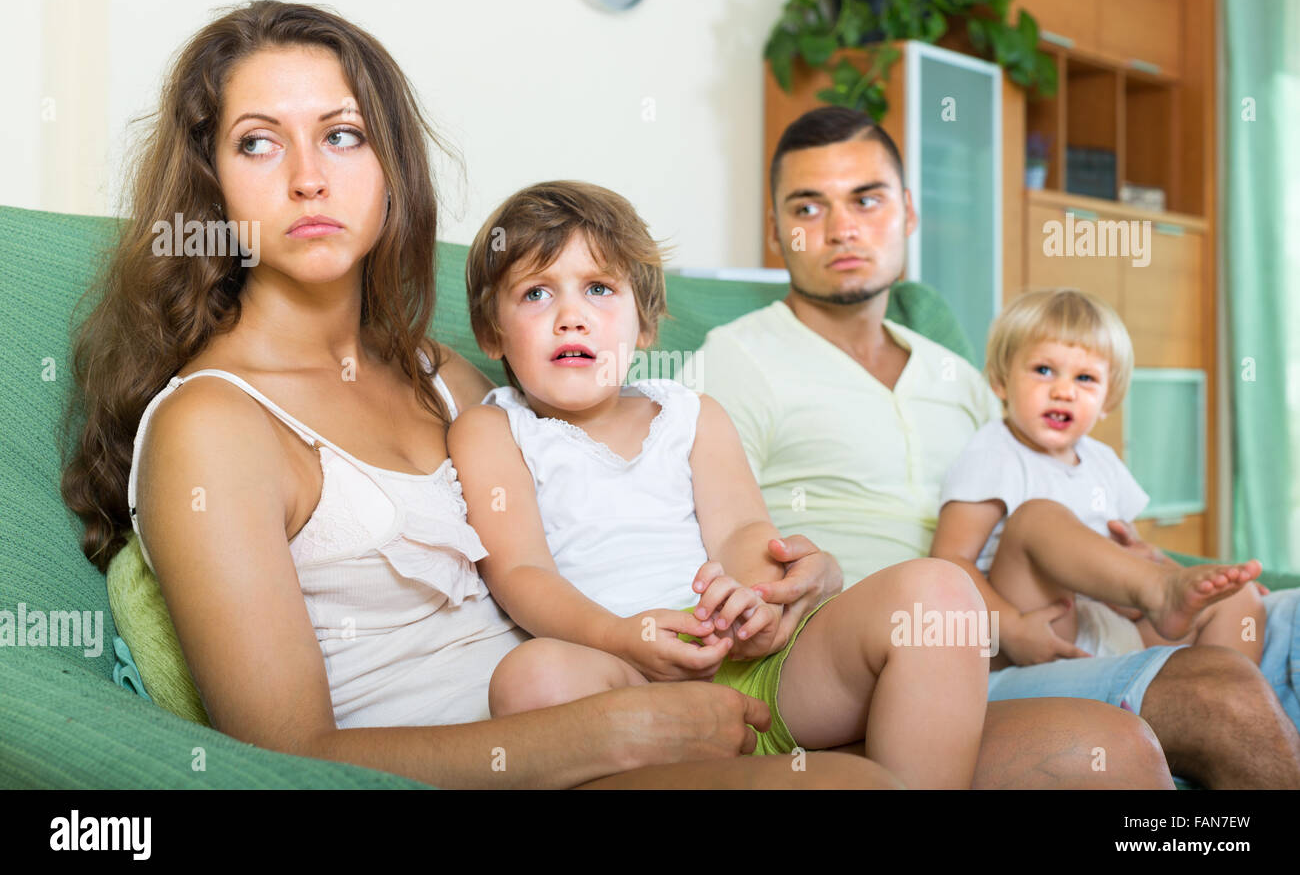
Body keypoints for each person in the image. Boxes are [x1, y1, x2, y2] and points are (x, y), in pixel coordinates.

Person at [59, 0, 891, 790]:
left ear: (392, 170)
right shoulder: (212, 425)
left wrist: (789, 580)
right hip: (548, 754)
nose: (309, 178)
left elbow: (595, 512)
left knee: (988, 744)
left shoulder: (445, 379)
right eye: (258, 143)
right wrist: (616, 730)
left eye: (343, 135)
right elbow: (291, 759)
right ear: (210, 183)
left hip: (614, 704)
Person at [687, 104, 1300, 788]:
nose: (842, 228)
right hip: (892, 659)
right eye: (808, 208)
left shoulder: (954, 370)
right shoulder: (736, 360)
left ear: (909, 213)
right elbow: (682, 526)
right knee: (1219, 694)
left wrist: (1130, 563)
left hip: (1036, 617)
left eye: (867, 198)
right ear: (775, 232)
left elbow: (1039, 490)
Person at [449, 180, 989, 789]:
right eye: (536, 293)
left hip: (754, 666)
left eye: (599, 289)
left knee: (940, 594)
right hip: (619, 685)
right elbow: (522, 574)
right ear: (491, 332)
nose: (571, 316)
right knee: (530, 678)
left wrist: (758, 599)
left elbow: (741, 530)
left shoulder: (692, 414)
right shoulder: (495, 430)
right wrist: (622, 637)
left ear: (644, 323)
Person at [933, 287, 1265, 663]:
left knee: (1242, 600)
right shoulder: (992, 453)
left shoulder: (1103, 461)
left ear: (1109, 398)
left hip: (1108, 625)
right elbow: (949, 561)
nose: (1063, 391)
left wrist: (1197, 582)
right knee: (1037, 516)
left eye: (1085, 378)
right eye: (1043, 370)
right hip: (1036, 626)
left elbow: (1129, 562)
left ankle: (1215, 701)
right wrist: (1009, 627)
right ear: (1001, 382)